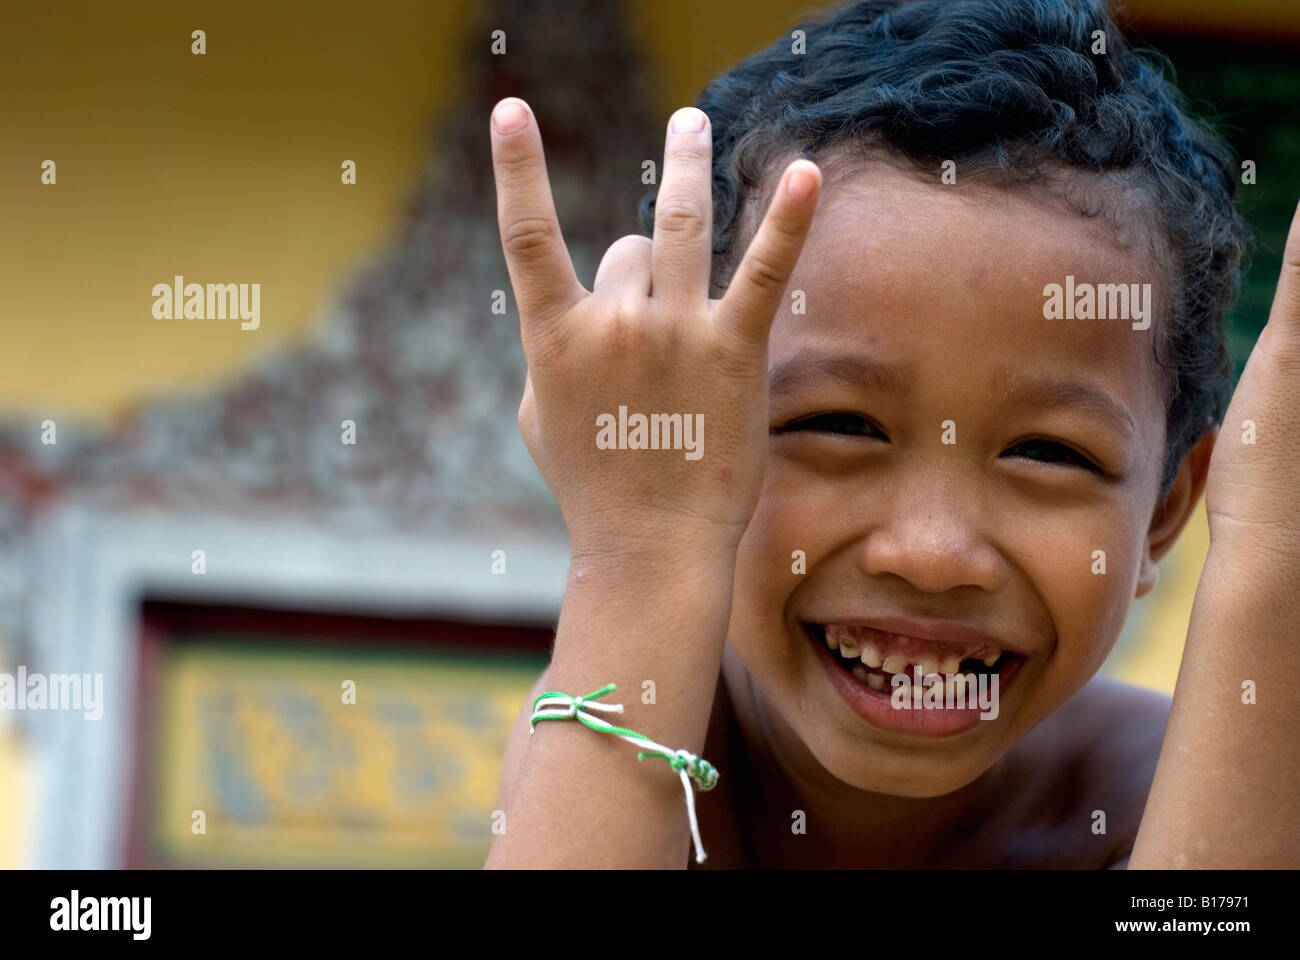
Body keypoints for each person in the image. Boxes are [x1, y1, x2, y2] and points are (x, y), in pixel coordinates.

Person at [484, 0, 1300, 868]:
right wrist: (636, 552)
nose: (933, 553)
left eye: (1048, 451)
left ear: (1167, 513)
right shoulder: (637, 727)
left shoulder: (1157, 805)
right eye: (839, 425)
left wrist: (1272, 559)